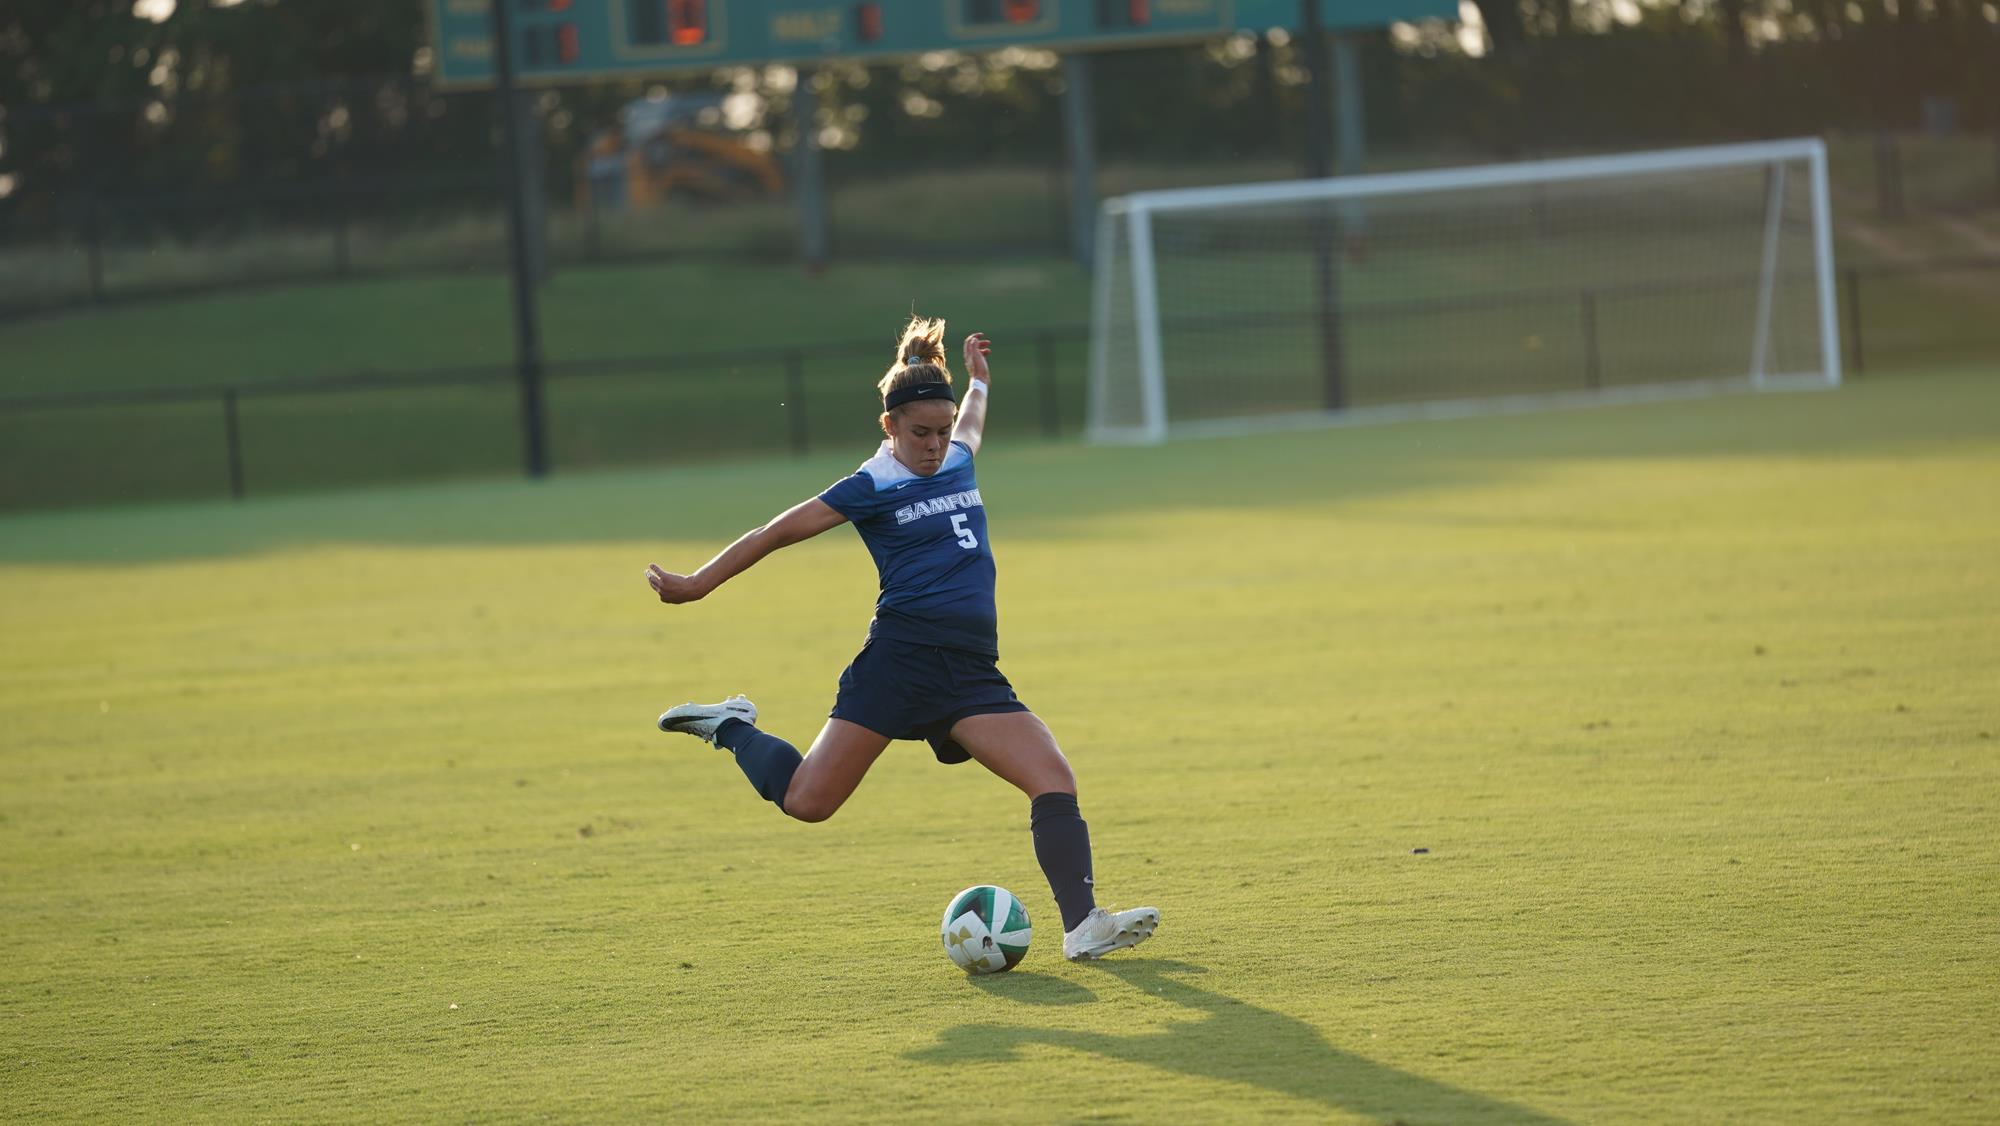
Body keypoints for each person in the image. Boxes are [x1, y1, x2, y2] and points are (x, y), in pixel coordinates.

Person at [645, 316, 1158, 962]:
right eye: (920, 433)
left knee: (1053, 777)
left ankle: (1083, 925)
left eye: (942, 432)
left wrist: (979, 382)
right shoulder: (871, 485)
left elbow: (971, 421)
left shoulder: (959, 456)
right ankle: (732, 726)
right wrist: (696, 583)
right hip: (899, 663)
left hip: (971, 673)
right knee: (808, 801)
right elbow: (774, 533)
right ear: (889, 427)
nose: (935, 445)